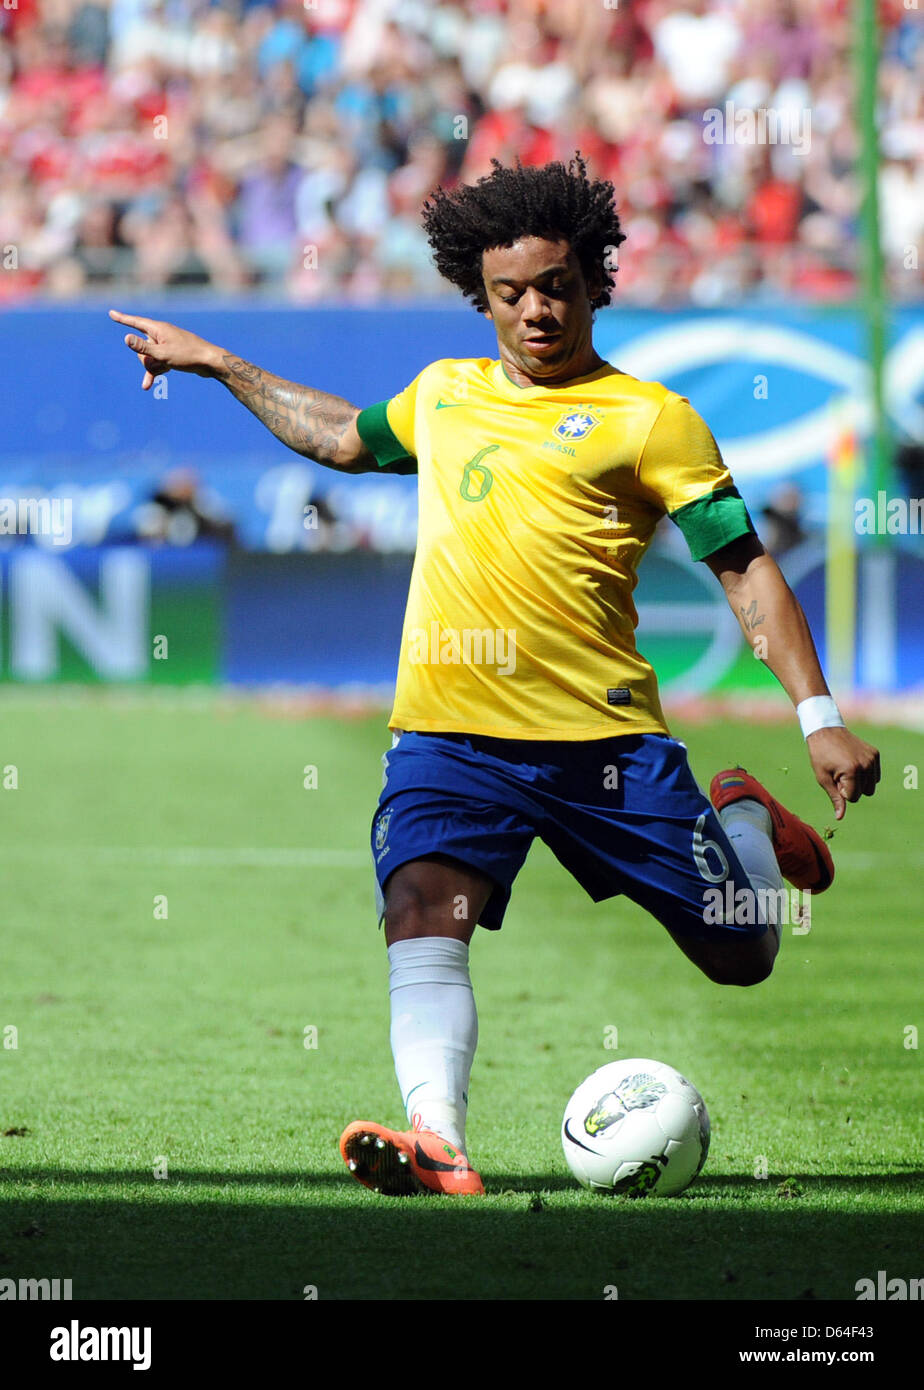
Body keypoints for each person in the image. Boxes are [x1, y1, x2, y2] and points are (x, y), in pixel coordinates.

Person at [109, 155, 880, 1198]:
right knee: (423, 910)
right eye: (509, 293)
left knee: (742, 953)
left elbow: (743, 567)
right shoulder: (443, 394)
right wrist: (220, 362)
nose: (534, 311)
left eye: (555, 287)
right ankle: (440, 1139)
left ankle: (741, 818)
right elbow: (341, 435)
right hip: (447, 734)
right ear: (481, 295)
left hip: (606, 748)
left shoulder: (650, 419)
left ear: (593, 281)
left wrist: (819, 714)